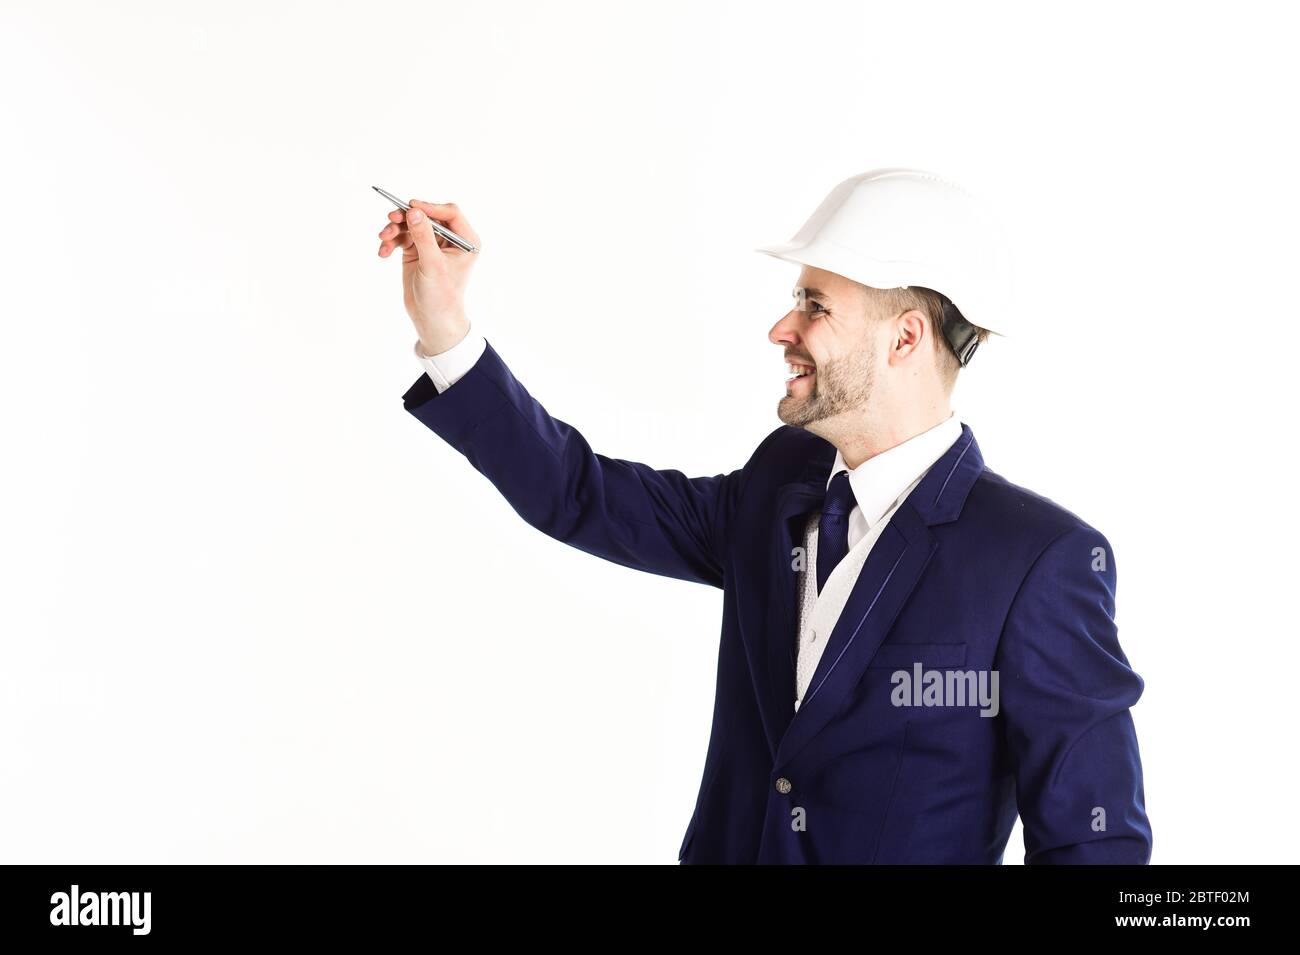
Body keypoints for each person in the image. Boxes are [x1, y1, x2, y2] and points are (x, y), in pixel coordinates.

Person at [375, 168, 1152, 864]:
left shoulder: (1036, 560)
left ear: (905, 337)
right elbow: (584, 494)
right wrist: (446, 327)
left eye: (814, 305)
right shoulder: (778, 481)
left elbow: (1096, 844)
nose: (782, 329)